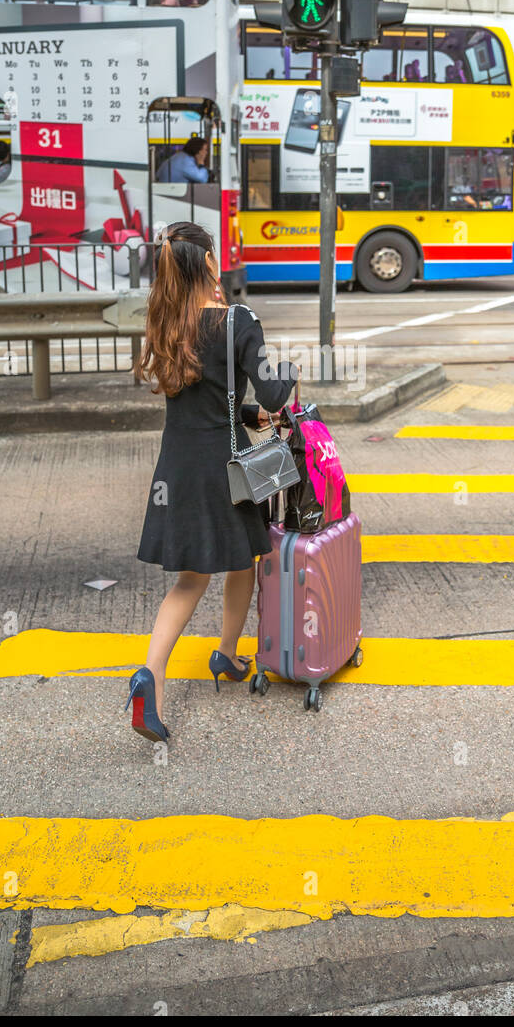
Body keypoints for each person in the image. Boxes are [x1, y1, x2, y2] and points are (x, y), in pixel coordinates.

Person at [127, 221, 299, 743]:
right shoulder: (238, 320)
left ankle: (151, 677)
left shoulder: (167, 322)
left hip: (178, 466)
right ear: (206, 264)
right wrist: (288, 367)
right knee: (245, 554)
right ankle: (224, 651)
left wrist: (239, 410)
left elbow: (205, 398)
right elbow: (274, 395)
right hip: (226, 469)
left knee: (190, 579)